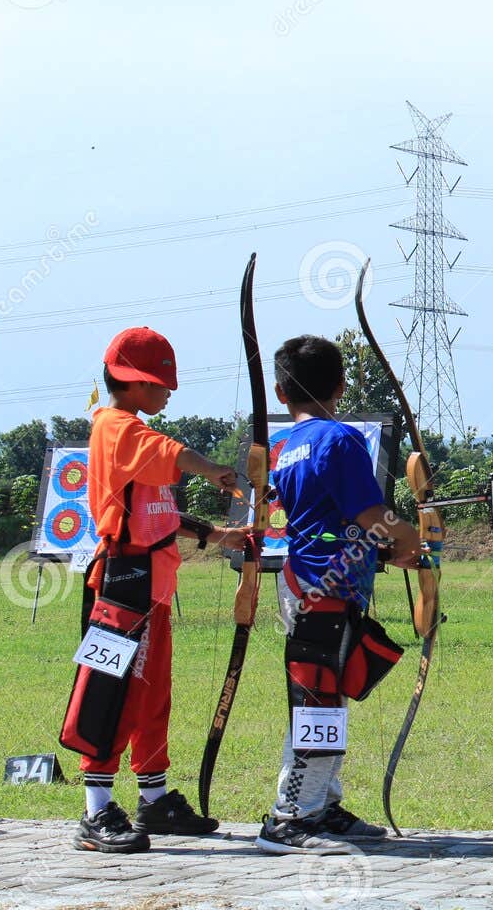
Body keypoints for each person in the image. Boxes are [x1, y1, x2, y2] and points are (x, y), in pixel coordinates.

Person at [67, 327, 247, 854]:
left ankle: (154, 799)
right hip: (121, 588)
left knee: (151, 697)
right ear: (133, 383)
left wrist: (215, 535)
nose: (169, 392)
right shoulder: (114, 427)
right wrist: (212, 469)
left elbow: (159, 512)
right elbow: (165, 450)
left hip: (153, 585)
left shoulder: (135, 435)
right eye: (159, 383)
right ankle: (95, 812)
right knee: (108, 694)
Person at [255, 334, 420, 856]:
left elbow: (329, 518)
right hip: (323, 587)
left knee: (326, 694)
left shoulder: (288, 447)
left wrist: (381, 552)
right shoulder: (339, 439)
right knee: (318, 699)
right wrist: (411, 538)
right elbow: (371, 515)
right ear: (342, 387)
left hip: (310, 581)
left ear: (281, 394)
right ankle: (289, 818)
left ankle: (320, 805)